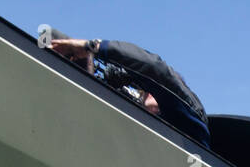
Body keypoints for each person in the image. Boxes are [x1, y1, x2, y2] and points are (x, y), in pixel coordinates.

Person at [47, 33, 210, 145]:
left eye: (152, 92)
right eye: (144, 92)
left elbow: (155, 70)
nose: (145, 96)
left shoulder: (192, 125)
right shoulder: (135, 137)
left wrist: (93, 47)